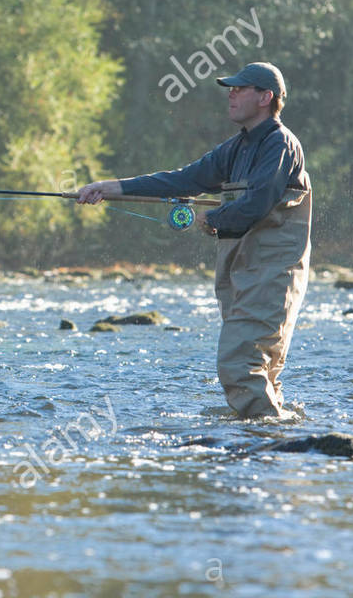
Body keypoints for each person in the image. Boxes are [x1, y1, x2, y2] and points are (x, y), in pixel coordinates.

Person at [76, 62, 311, 418]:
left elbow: (259, 202)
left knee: (239, 362)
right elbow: (182, 180)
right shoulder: (237, 148)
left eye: (239, 88)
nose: (230, 93)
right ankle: (267, 440)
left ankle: (261, 442)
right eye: (230, 88)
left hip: (272, 273)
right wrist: (112, 188)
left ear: (266, 97)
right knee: (259, 366)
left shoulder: (279, 143)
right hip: (244, 270)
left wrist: (213, 219)